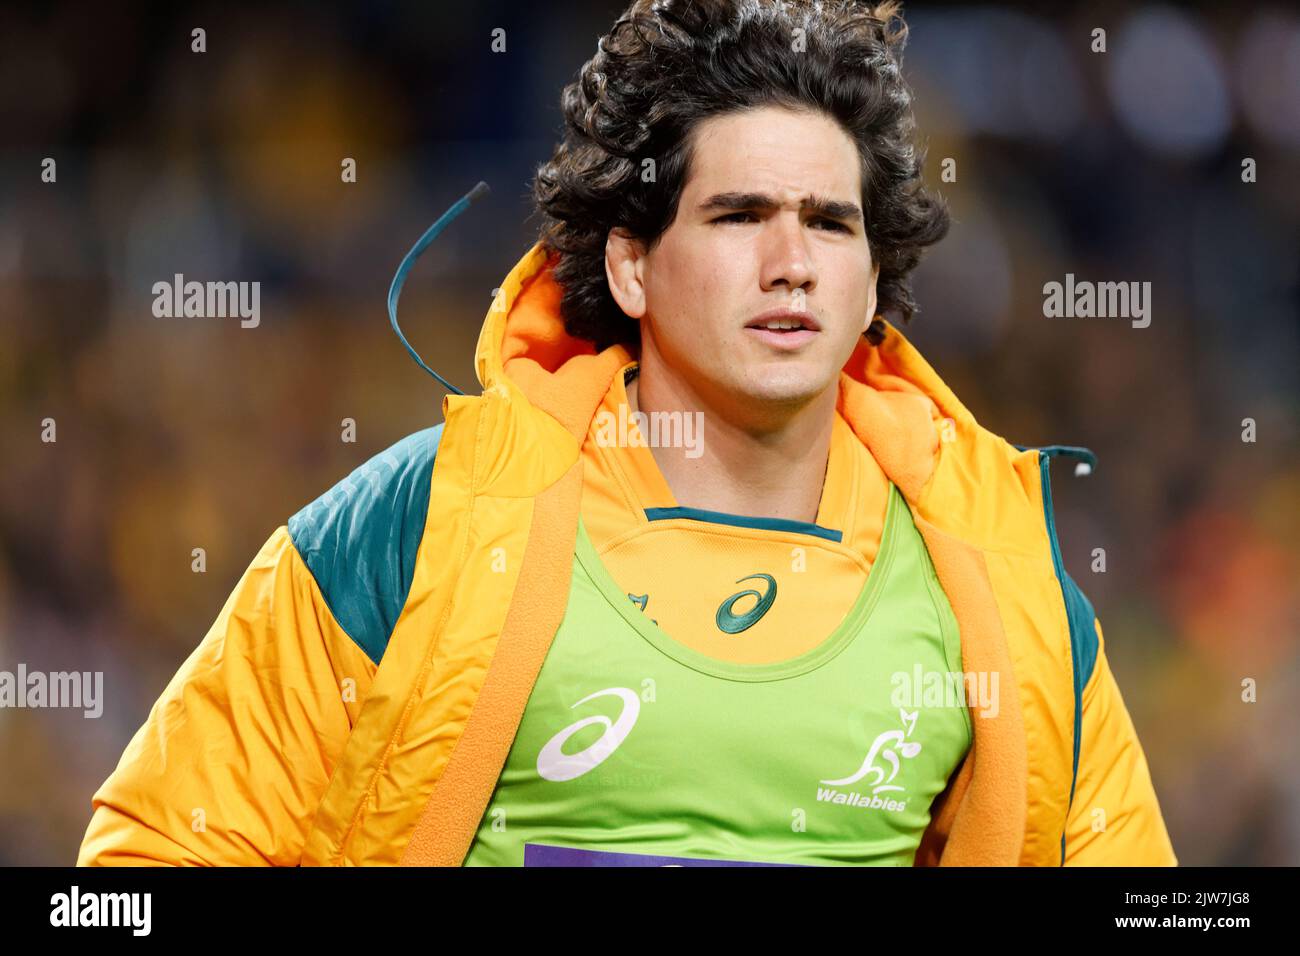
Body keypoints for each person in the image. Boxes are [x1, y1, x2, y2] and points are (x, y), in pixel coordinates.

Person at [78, 0, 1176, 867]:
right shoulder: (417, 529)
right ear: (630, 263)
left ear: (870, 276)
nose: (790, 261)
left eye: (830, 223)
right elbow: (155, 853)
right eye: (739, 215)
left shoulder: (1005, 591)